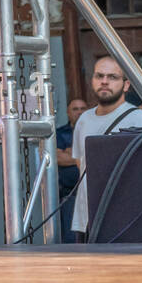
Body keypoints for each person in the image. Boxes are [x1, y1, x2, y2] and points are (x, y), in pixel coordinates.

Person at [70, 56, 142, 241]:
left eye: (112, 77)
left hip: (125, 219)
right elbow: (80, 163)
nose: (105, 81)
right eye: (99, 75)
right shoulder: (83, 120)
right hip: (85, 219)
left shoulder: (140, 119)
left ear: (126, 85)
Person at [54, 97, 88, 243]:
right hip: (69, 194)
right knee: (71, 238)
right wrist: (83, 155)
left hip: (92, 192)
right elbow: (57, 158)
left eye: (83, 109)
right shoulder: (60, 133)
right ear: (68, 113)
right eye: (75, 109)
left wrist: (69, 152)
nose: (79, 112)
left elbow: (98, 156)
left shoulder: (94, 129)